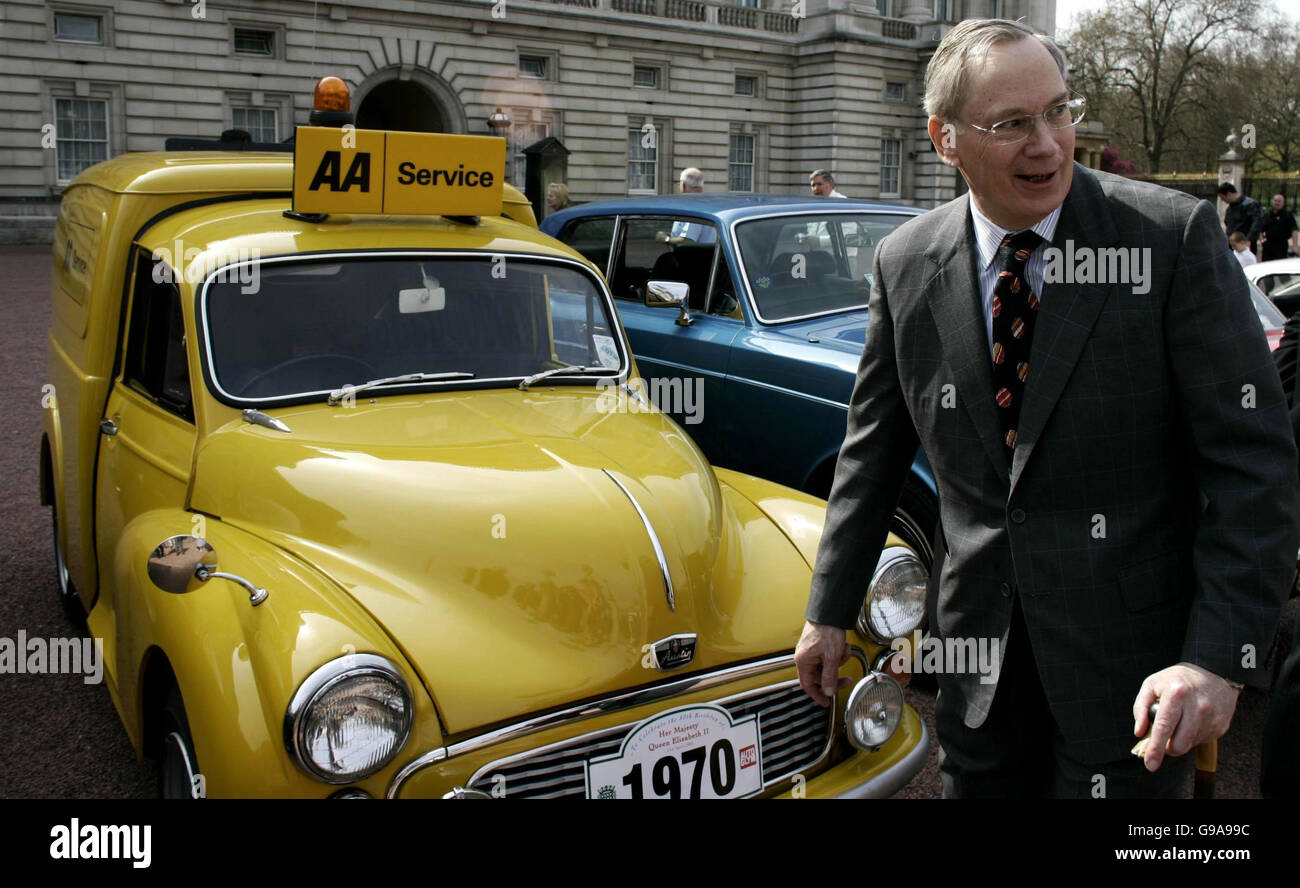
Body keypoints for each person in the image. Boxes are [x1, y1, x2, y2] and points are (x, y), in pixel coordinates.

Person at [794, 17, 1299, 798]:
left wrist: (1215, 660)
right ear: (944, 138)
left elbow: (1253, 470)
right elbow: (872, 454)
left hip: (1137, 683)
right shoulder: (905, 262)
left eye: (1059, 111)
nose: (1049, 143)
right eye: (1012, 124)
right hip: (976, 674)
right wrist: (828, 611)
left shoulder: (1168, 241)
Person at [668, 167, 716, 244]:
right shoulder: (704, 204)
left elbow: (687, 240)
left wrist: (666, 239)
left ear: (683, 186)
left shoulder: (694, 207)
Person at [1219, 182, 1263, 254]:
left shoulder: (1250, 204)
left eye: (1223, 198)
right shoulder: (1230, 209)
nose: (1222, 201)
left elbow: (1257, 223)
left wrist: (1249, 239)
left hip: (1244, 245)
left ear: (1229, 194)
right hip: (1232, 245)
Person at [1260, 193, 1298, 262]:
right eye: (1275, 201)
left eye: (1279, 201)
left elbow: (1294, 230)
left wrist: (1295, 246)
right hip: (1267, 246)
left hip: (1281, 246)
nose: (1277, 203)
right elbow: (1261, 230)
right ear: (1272, 202)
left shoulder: (1288, 215)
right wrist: (1262, 242)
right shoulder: (1267, 215)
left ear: (1283, 203)